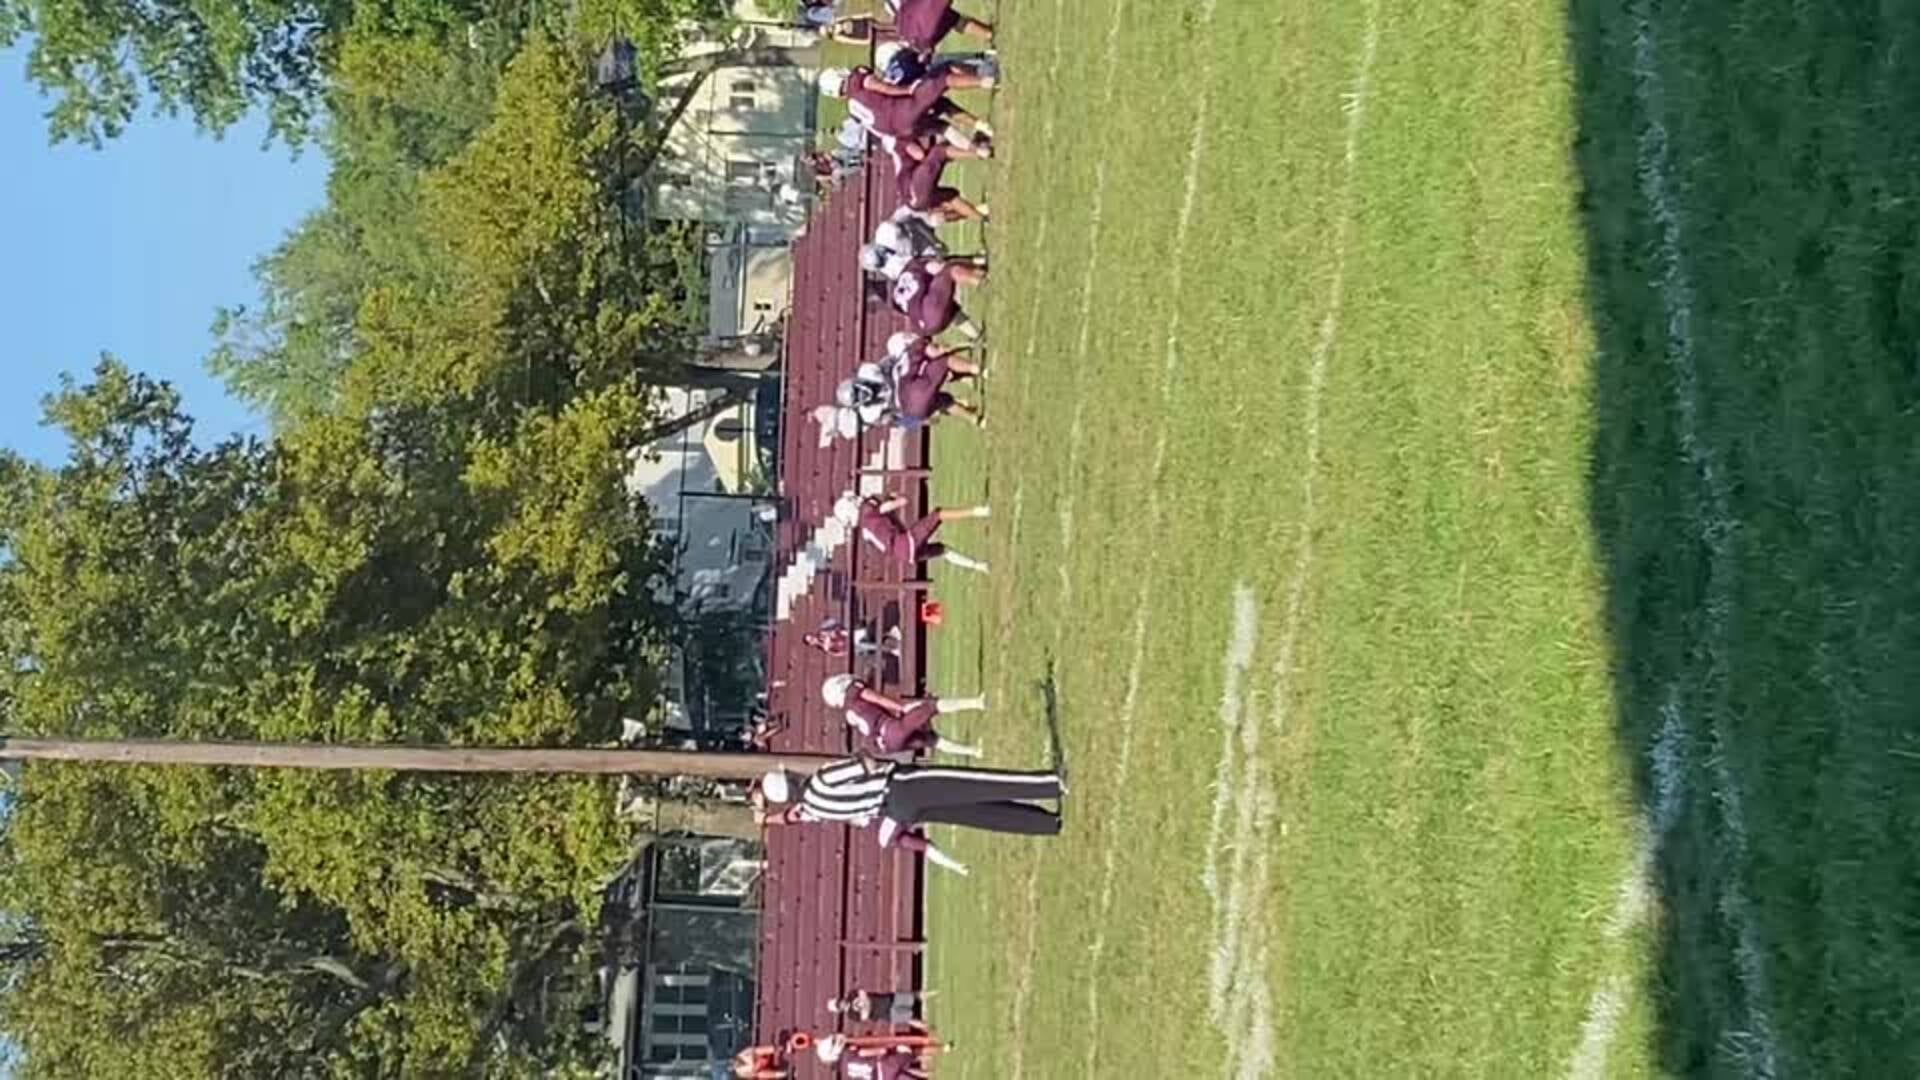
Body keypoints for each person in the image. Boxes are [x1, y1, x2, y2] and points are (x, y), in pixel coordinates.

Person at [752, 757, 1065, 875]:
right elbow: (866, 765)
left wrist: (769, 819)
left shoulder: (815, 809)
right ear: (792, 780)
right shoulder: (821, 779)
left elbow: (795, 817)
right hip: (899, 787)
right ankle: (1048, 783)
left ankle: (1045, 824)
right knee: (975, 785)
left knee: (974, 815)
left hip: (897, 811)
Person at [822, 672, 985, 758]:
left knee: (931, 740)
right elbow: (878, 699)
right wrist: (901, 708)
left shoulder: (849, 713)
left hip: (886, 744)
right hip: (891, 729)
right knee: (932, 706)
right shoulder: (853, 692)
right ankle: (977, 702)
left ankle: (974, 752)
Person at [819, 66, 994, 144]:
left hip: (899, 132)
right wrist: (907, 90)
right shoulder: (857, 79)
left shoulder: (852, 109)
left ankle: (979, 150)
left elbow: (875, 129)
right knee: (944, 78)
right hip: (903, 111)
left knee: (941, 125)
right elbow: (883, 87)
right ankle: (988, 81)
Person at [834, 493, 989, 573]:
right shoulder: (867, 511)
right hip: (905, 543)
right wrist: (896, 499)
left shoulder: (865, 532)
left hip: (904, 556)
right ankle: (980, 511)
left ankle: (979, 566)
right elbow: (895, 505)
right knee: (939, 514)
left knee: (943, 550)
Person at [888, 332, 984, 427]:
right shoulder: (912, 350)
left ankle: (974, 419)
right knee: (945, 361)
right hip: (917, 391)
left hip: (912, 411)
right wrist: (965, 346)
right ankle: (979, 370)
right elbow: (938, 353)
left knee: (944, 401)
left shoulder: (896, 370)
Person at [890, 256, 985, 339]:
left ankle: (976, 334)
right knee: (950, 270)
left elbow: (908, 311)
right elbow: (938, 267)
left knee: (948, 307)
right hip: (931, 310)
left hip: (925, 328)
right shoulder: (915, 266)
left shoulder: (896, 295)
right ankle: (981, 280)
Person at [887, 0, 994, 55]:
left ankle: (989, 34)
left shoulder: (899, 18)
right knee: (955, 20)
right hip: (922, 17)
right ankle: (989, 34)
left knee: (954, 20)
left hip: (920, 39)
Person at [826, 988, 938, 1025]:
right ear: (839, 1010)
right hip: (886, 1014)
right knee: (911, 1018)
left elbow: (863, 993)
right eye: (838, 1006)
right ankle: (932, 1026)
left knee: (913, 996)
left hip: (888, 999)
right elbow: (865, 1016)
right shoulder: (851, 1015)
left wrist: (865, 1005)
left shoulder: (851, 994)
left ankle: (935, 993)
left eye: (839, 1001)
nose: (841, 1003)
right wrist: (866, 1004)